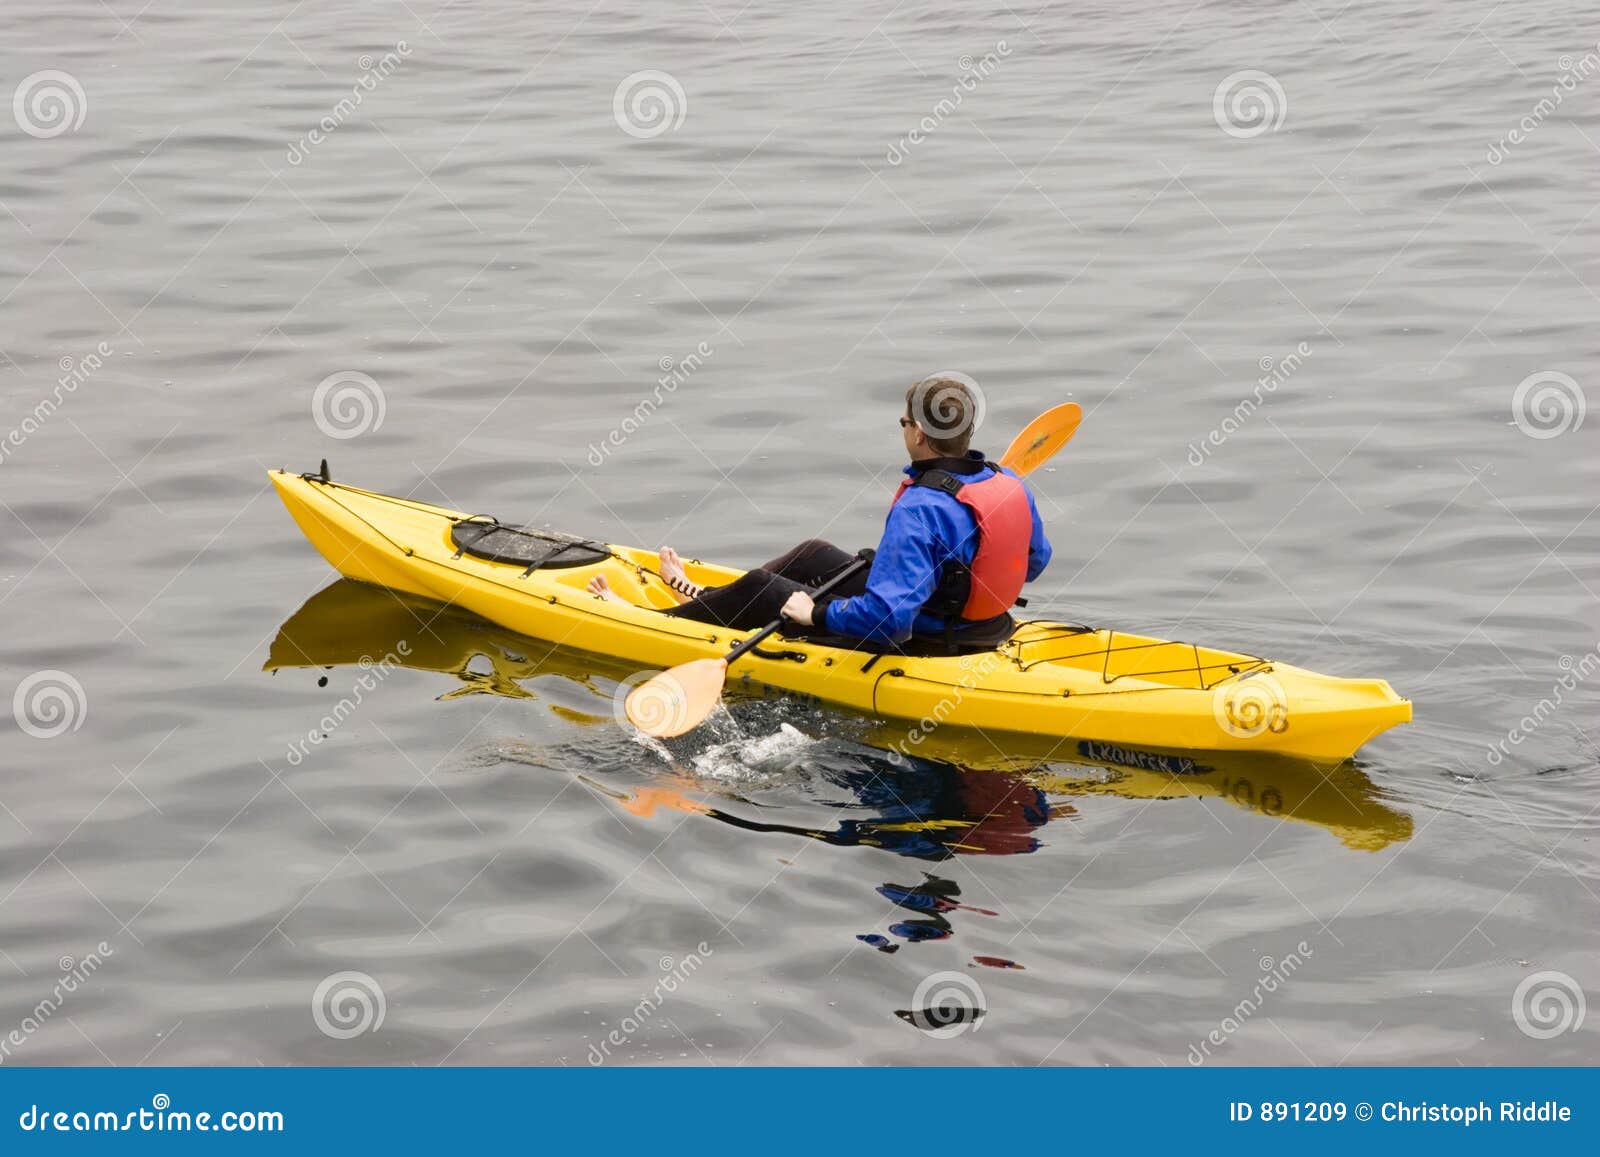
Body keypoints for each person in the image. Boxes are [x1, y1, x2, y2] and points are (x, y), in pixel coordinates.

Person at [586, 372, 1052, 654]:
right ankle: (703, 598)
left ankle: (652, 626)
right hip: (984, 623)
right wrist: (954, 574)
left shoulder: (921, 507)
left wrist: (816, 616)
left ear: (918, 435)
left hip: (931, 637)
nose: (903, 429)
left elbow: (889, 622)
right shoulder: (1007, 483)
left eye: (904, 422)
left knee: (763, 588)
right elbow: (1034, 562)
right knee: (814, 555)